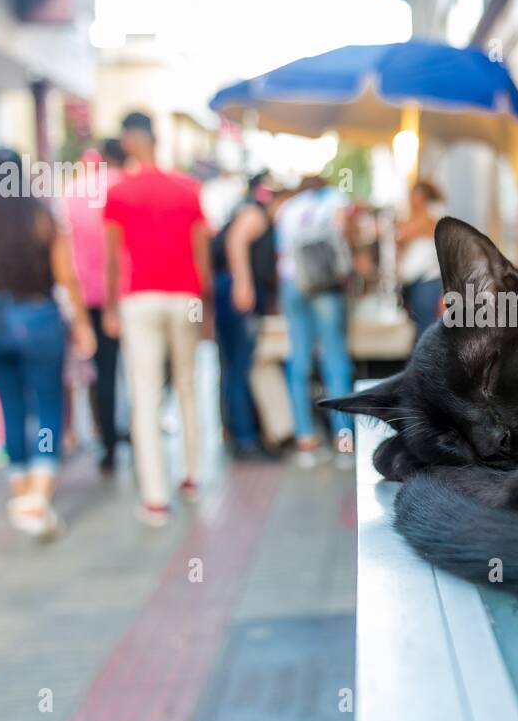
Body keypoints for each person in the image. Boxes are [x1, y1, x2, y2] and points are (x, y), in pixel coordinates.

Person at [0, 149, 95, 538]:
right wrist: (82, 323)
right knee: (49, 403)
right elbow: (66, 276)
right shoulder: (41, 217)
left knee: (10, 406)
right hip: (38, 318)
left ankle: (20, 487)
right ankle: (40, 489)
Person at [102, 112, 211, 525]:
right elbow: (200, 254)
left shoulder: (119, 192)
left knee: (145, 395)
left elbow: (113, 257)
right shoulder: (187, 188)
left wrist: (111, 308)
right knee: (186, 385)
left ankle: (155, 498)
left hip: (140, 300)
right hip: (184, 297)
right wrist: (205, 309)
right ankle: (193, 475)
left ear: (130, 140)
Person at [277, 177, 355, 469]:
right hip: (323, 283)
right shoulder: (334, 198)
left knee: (299, 361)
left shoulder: (288, 207)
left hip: (291, 281)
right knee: (335, 361)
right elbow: (343, 232)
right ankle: (343, 440)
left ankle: (305, 438)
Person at [62, 138, 126, 471]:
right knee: (138, 371)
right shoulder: (123, 186)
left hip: (89, 297)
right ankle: (137, 435)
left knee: (102, 373)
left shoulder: (72, 192)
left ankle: (109, 443)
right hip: (128, 293)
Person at [211, 170, 284, 460]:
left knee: (233, 366)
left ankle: (237, 432)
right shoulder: (255, 214)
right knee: (240, 366)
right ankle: (245, 438)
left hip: (228, 289)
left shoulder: (250, 211)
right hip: (234, 291)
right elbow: (236, 241)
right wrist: (243, 283)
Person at [397, 179, 444, 334]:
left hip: (426, 282)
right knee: (420, 327)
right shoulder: (416, 216)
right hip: (416, 282)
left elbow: (402, 235)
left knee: (426, 328)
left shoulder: (430, 216)